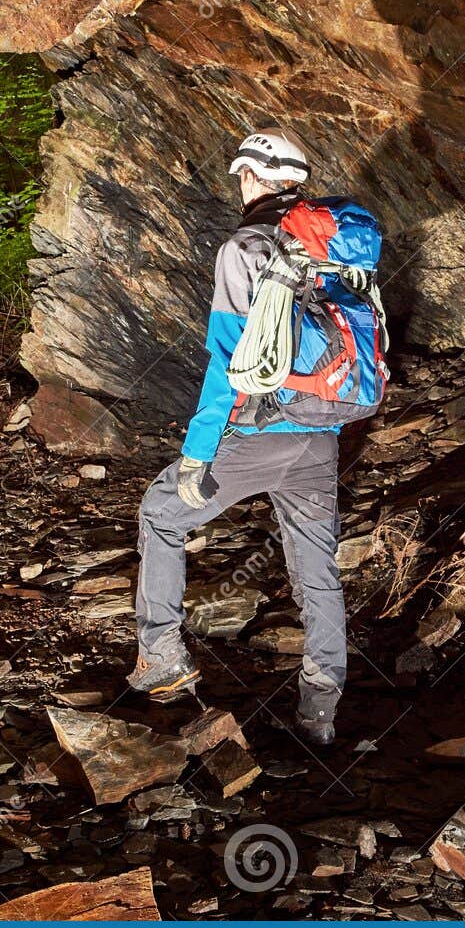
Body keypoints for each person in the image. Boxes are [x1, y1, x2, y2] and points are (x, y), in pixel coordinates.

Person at [128, 128, 348, 746]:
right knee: (316, 571)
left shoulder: (245, 246)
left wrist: (197, 453)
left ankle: (161, 657)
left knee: (160, 515)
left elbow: (228, 359)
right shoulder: (331, 241)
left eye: (242, 176)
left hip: (260, 430)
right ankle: (320, 713)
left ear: (252, 177)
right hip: (322, 429)